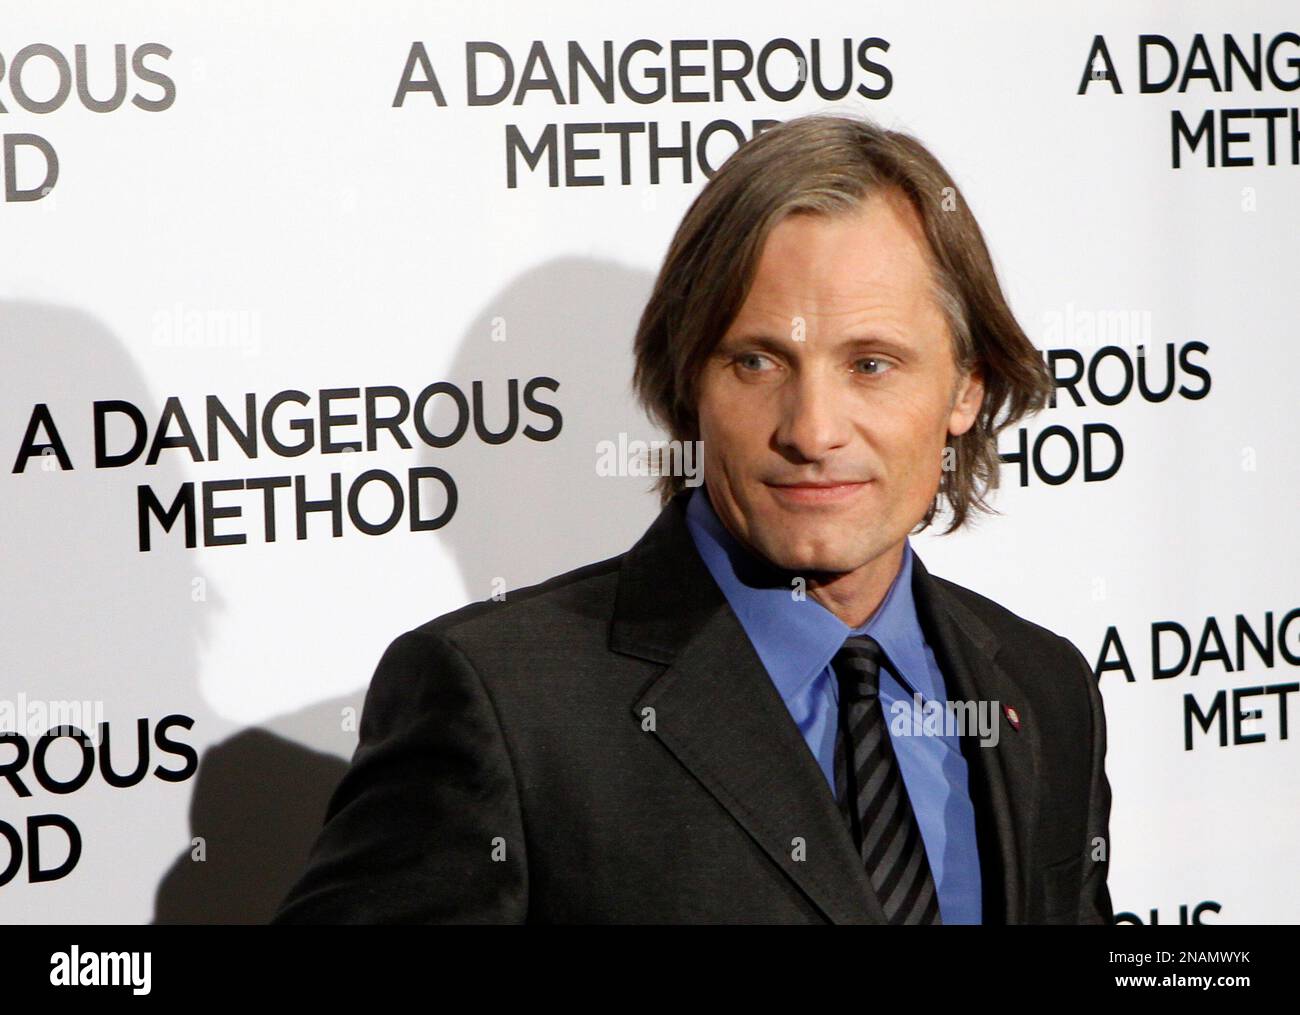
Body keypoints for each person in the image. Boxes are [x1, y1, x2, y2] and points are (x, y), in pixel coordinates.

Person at [271, 113, 1113, 925]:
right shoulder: (503, 708)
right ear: (688, 382)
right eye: (755, 361)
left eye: (871, 364)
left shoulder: (1043, 689)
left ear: (967, 387)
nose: (812, 429)